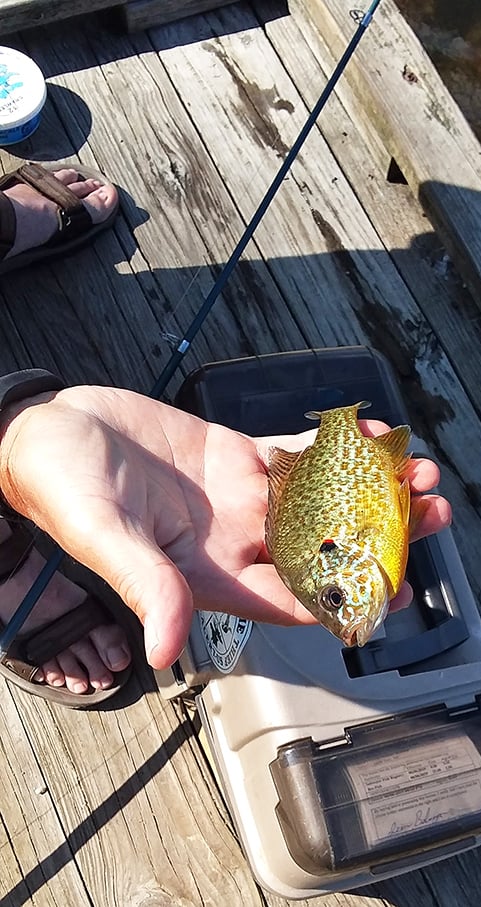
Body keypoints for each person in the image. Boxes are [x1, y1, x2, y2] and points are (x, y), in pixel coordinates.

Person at [0, 164, 452, 706]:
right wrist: (19, 433)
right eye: (334, 598)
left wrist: (18, 427)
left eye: (334, 598)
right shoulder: (359, 557)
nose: (347, 614)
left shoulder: (350, 555)